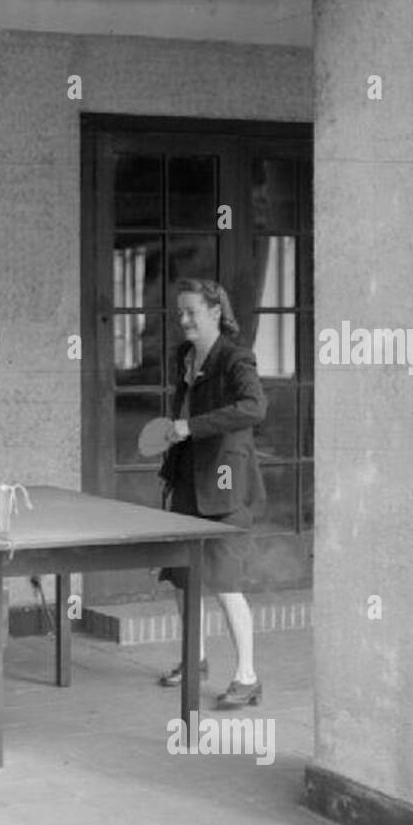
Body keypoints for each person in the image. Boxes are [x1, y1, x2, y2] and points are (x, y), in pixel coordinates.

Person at [156, 278, 266, 709]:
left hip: (226, 483)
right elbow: (184, 413)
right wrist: (174, 434)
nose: (183, 320)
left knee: (225, 583)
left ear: (215, 312)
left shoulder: (236, 359)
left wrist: (191, 427)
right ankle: (193, 658)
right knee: (184, 580)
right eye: (179, 312)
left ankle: (248, 677)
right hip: (187, 478)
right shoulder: (184, 357)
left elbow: (254, 408)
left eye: (191, 312)